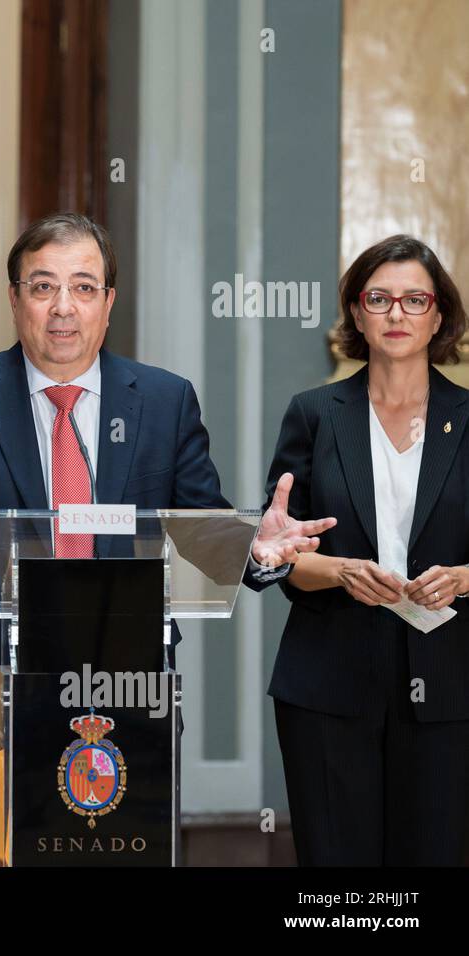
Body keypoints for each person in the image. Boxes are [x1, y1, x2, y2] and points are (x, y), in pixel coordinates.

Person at [0, 212, 335, 866]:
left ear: (108, 302)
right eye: (42, 287)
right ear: (14, 298)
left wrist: (253, 548)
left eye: (84, 287)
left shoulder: (165, 401)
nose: (63, 308)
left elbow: (202, 528)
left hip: (127, 686)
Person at [262, 235, 469, 865]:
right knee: (338, 875)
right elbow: (283, 553)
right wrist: (338, 570)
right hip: (329, 680)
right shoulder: (315, 413)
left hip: (450, 680)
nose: (397, 314)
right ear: (356, 312)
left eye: (415, 299)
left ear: (439, 316)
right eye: (379, 298)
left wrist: (463, 577)